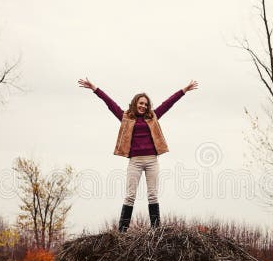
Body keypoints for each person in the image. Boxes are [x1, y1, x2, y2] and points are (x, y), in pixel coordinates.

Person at [78, 77, 199, 232]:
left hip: (152, 161)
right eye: (141, 103)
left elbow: (168, 103)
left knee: (153, 195)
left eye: (146, 104)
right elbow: (110, 103)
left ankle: (156, 231)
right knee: (130, 196)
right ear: (135, 103)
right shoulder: (125, 117)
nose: (143, 106)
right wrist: (95, 89)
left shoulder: (153, 117)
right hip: (134, 161)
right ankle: (122, 232)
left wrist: (184, 90)